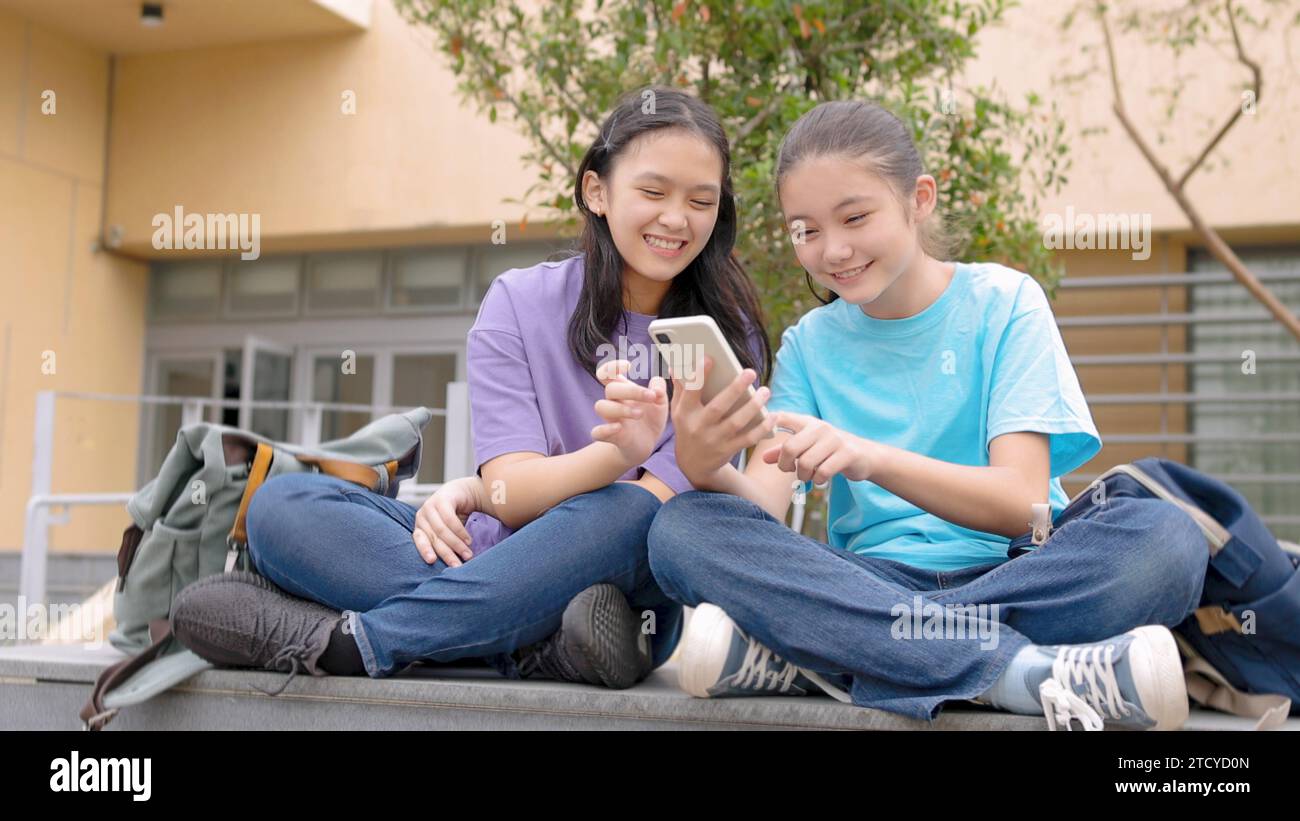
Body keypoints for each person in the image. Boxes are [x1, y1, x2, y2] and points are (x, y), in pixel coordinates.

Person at [170, 86, 770, 694]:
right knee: (283, 506)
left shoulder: (724, 334)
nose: (677, 218)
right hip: (496, 564)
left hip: (622, 587)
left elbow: (664, 509)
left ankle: (360, 643)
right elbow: (512, 494)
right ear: (597, 191)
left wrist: (620, 473)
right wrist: (617, 454)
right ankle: (535, 651)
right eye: (653, 191)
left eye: (702, 201)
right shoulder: (519, 301)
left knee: (635, 509)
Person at [639, 100, 1208, 730]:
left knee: (1167, 541)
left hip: (1015, 569)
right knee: (682, 530)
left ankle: (823, 654)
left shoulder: (1005, 303)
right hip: (869, 577)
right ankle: (1021, 673)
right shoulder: (809, 345)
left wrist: (870, 458)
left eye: (855, 216)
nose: (834, 250)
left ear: (920, 198)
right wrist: (704, 462)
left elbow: (1022, 502)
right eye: (806, 230)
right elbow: (763, 514)